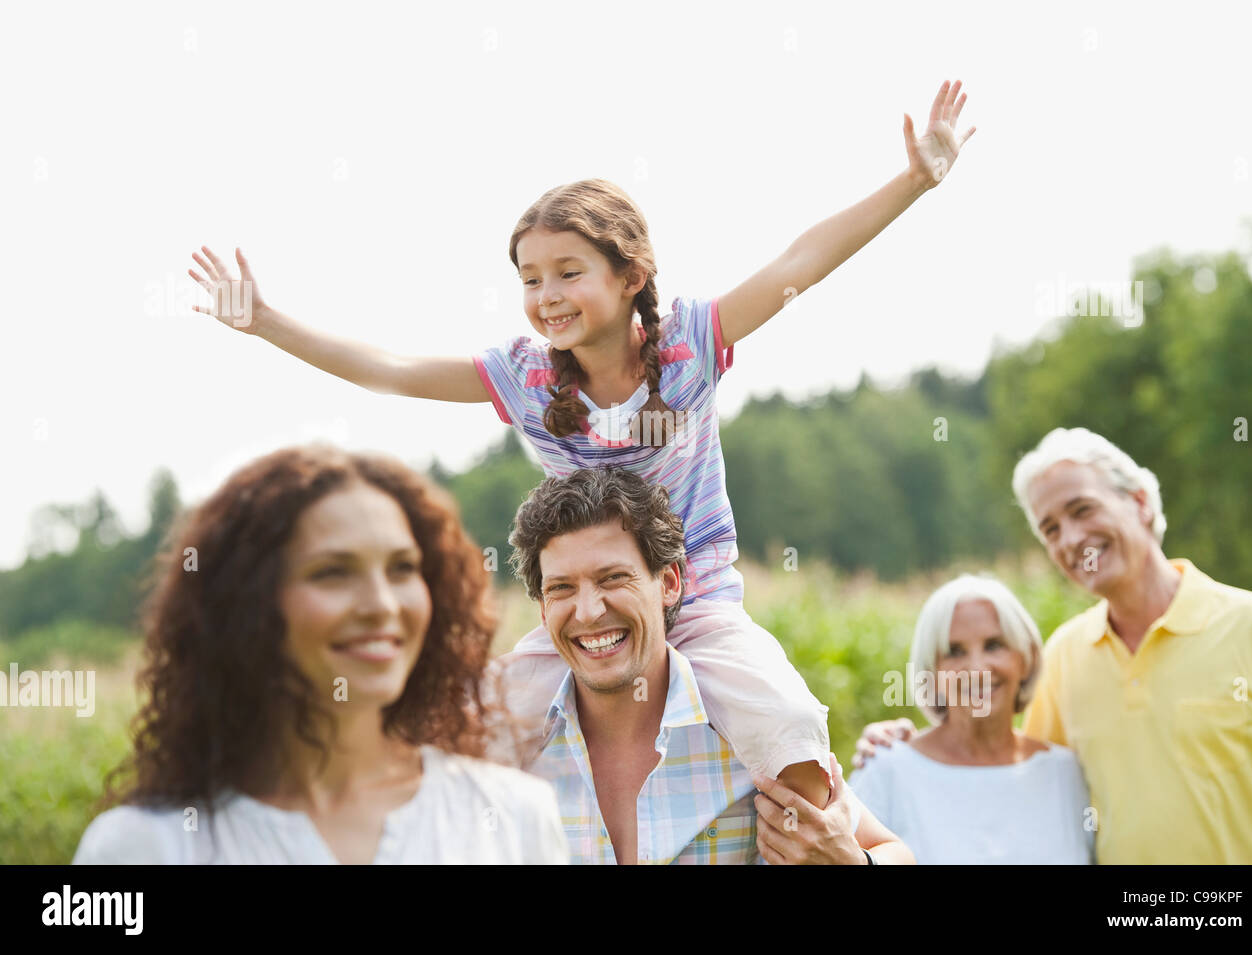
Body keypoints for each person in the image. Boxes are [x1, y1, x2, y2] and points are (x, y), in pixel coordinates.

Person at [188, 81, 977, 809]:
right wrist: (266, 321)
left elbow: (801, 262)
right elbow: (391, 372)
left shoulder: (690, 345)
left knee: (786, 716)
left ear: (631, 273)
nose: (547, 297)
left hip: (698, 604)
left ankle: (828, 842)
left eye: (568, 273)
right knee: (475, 728)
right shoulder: (527, 379)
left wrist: (913, 180)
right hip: (585, 606)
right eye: (531, 279)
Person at [73, 445, 568, 864]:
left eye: (401, 568)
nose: (381, 605)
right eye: (333, 572)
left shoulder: (513, 818)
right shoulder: (145, 845)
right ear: (248, 603)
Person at [853, 427, 1252, 864]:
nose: (1071, 539)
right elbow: (1013, 773)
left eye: (1083, 510)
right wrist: (906, 744)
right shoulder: (1066, 655)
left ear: (1138, 502)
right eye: (1051, 529)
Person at [501, 467, 913, 864]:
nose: (588, 612)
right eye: (561, 588)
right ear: (542, 609)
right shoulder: (510, 753)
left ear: (669, 583)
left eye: (612, 578)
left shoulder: (751, 731)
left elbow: (894, 852)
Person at [846, 574, 1094, 864]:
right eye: (954, 652)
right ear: (932, 673)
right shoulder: (885, 770)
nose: (976, 669)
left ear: (1025, 659)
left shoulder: (1067, 774)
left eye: (993, 645)